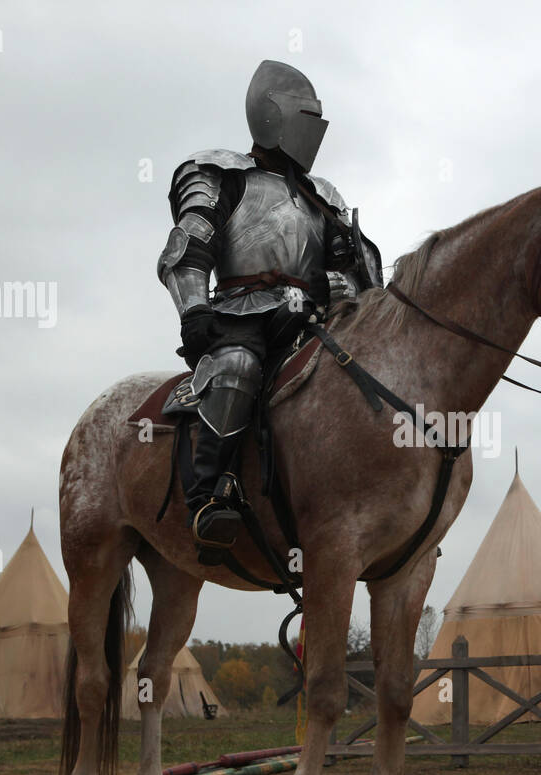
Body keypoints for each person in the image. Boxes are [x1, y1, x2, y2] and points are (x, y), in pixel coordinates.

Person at [157, 60, 382, 561]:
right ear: (272, 115)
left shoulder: (323, 196)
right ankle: (209, 500)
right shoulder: (219, 173)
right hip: (243, 314)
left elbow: (363, 276)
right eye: (307, 115)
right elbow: (186, 251)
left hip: (316, 321)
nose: (315, 130)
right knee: (238, 368)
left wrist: (336, 282)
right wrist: (194, 311)